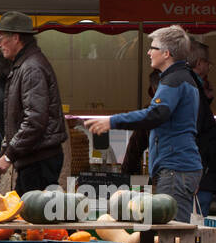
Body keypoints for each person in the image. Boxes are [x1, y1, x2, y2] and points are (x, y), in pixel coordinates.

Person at [86, 24, 202, 221]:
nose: (148, 52)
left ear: (166, 53)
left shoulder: (173, 81)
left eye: (153, 48)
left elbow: (155, 114)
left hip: (176, 168)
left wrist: (113, 121)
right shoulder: (182, 78)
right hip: (178, 167)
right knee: (172, 229)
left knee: (172, 232)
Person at [0, 12, 68, 194]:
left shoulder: (31, 68)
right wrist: (3, 155)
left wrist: (8, 157)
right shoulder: (26, 65)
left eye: (1, 39)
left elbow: (34, 121)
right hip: (35, 158)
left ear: (16, 38)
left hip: (38, 161)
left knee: (32, 216)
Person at [189, 39, 216, 216]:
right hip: (201, 177)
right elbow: (195, 135)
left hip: (200, 175)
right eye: (208, 63)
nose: (209, 68)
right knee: (194, 228)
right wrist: (196, 174)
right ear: (200, 63)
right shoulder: (193, 90)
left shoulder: (193, 89)